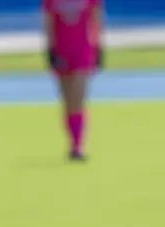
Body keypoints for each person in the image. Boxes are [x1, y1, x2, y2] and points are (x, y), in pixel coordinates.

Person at [45, 0, 104, 161]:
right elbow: (48, 23)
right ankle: (72, 141)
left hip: (83, 50)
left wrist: (99, 48)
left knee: (78, 98)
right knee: (67, 100)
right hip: (62, 51)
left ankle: (78, 146)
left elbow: (96, 19)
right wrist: (50, 51)